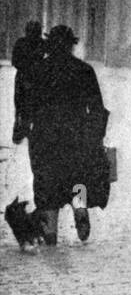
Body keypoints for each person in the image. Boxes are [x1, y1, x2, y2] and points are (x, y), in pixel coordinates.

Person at [26, 25, 110, 246]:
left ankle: (51, 230)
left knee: (46, 182)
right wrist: (96, 136)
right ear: (72, 46)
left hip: (45, 134)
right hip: (77, 133)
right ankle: (80, 209)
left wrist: (28, 127)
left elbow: (28, 106)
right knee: (78, 177)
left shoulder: (38, 70)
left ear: (50, 45)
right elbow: (97, 108)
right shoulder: (84, 70)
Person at [11, 20, 46, 145]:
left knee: (35, 104)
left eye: (36, 31)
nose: (34, 34)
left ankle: (29, 129)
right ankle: (20, 128)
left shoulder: (42, 43)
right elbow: (15, 61)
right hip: (24, 78)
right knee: (20, 104)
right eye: (32, 31)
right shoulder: (21, 43)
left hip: (36, 79)